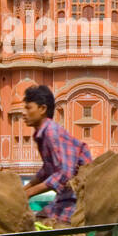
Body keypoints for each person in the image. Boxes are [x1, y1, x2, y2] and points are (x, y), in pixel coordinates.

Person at [21, 84, 91, 225]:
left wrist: (29, 193)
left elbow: (65, 174)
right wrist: (22, 190)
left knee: (48, 228)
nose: (24, 113)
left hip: (79, 196)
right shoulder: (41, 134)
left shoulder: (52, 132)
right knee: (38, 220)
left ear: (42, 109)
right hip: (65, 196)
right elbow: (47, 170)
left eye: (29, 108)